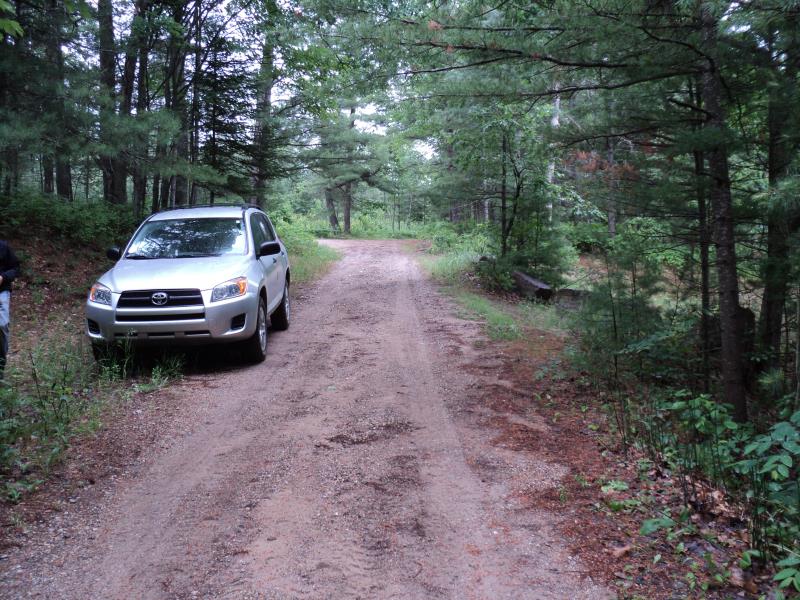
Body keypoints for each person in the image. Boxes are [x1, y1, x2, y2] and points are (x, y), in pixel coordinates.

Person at [0, 240, 20, 379]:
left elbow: (16, 268)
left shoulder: (3, 246)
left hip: (1, 292)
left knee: (2, 325)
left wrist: (3, 277)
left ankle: (1, 363)